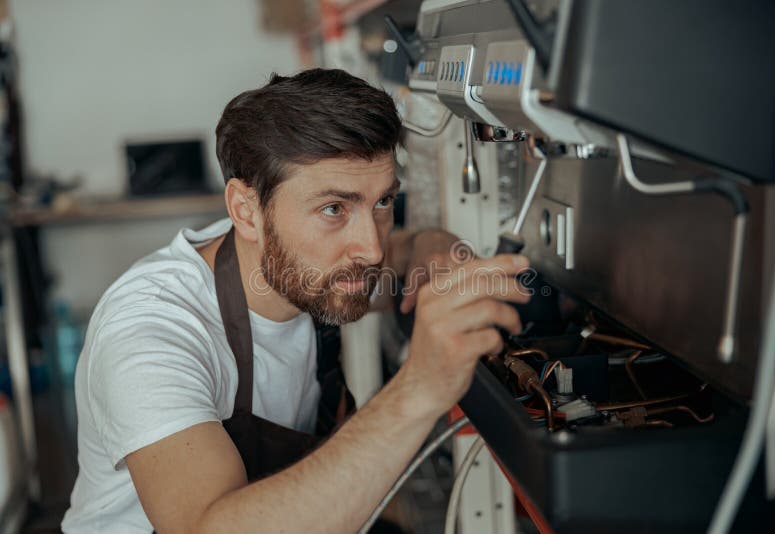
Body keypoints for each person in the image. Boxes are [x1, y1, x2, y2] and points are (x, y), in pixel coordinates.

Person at [61, 68, 530, 533]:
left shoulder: (308, 269)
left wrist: (433, 246)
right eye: (334, 209)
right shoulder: (151, 331)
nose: (369, 247)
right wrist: (420, 387)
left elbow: (406, 255)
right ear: (246, 211)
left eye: (382, 202)